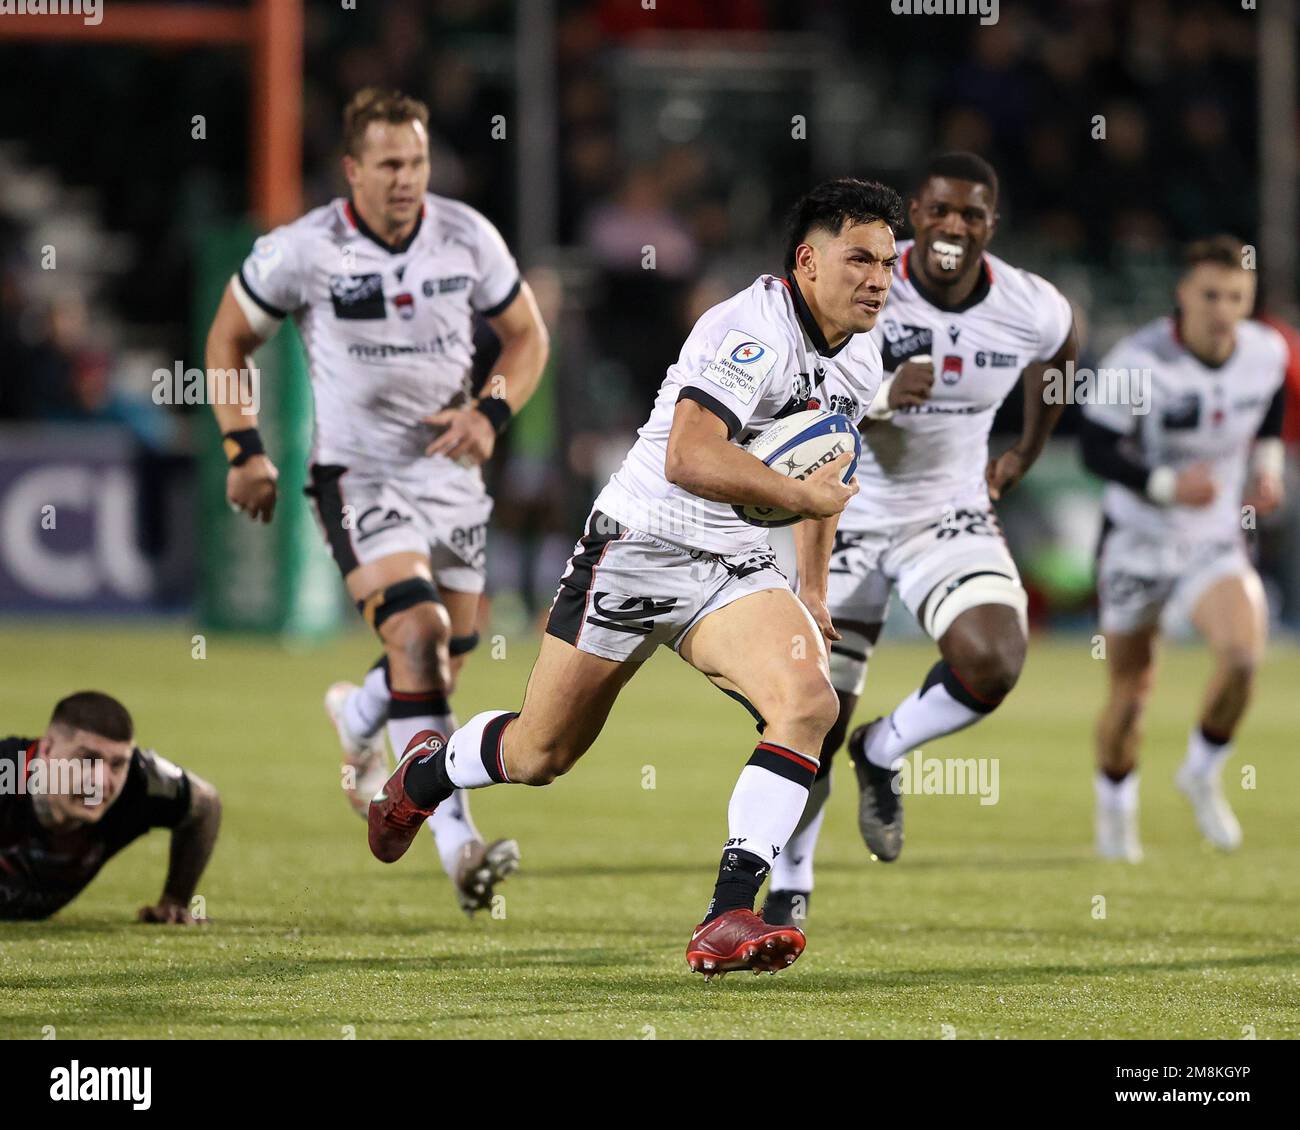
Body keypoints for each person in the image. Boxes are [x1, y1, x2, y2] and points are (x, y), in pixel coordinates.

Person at [369, 178, 909, 977]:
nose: (879, 279)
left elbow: (828, 468)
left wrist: (814, 587)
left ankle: (728, 913)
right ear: (808, 262)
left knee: (809, 706)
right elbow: (689, 457)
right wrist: (797, 497)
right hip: (639, 548)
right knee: (540, 754)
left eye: (889, 264)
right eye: (860, 258)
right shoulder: (748, 329)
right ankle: (426, 770)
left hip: (732, 564)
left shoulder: (863, 354)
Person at [203, 88, 550, 912]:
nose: (407, 179)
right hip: (359, 477)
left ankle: (357, 716)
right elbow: (227, 336)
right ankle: (459, 847)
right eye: (390, 163)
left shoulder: (466, 235)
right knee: (421, 635)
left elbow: (528, 335)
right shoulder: (304, 248)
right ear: (352, 168)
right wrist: (242, 446)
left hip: (453, 476)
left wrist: (489, 411)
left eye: (418, 161)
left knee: (444, 658)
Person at [764, 154, 1078, 924]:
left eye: (971, 215)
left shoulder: (1032, 305)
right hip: (839, 512)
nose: (953, 227)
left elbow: (1060, 358)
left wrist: (1025, 453)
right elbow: (794, 388)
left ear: (989, 226)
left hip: (948, 511)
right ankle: (792, 881)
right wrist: (874, 398)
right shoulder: (871, 280)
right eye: (940, 211)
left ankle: (886, 748)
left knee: (996, 658)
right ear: (916, 213)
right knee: (810, 718)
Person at [1081, 234, 1286, 861]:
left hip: (1213, 539)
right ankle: (1116, 809)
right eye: (1211, 295)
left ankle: (1201, 768)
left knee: (1244, 659)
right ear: (1183, 294)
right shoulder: (1137, 360)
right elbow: (1095, 449)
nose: (1224, 309)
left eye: (1236, 296)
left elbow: (1271, 406)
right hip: (1137, 541)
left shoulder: (1266, 350)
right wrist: (1168, 484)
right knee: (1132, 692)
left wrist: (1268, 466)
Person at [0, 692, 221, 922]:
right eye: (87, 760)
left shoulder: (140, 782)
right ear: (46, 750)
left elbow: (206, 803)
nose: (101, 782)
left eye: (117, 764)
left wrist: (175, 901)